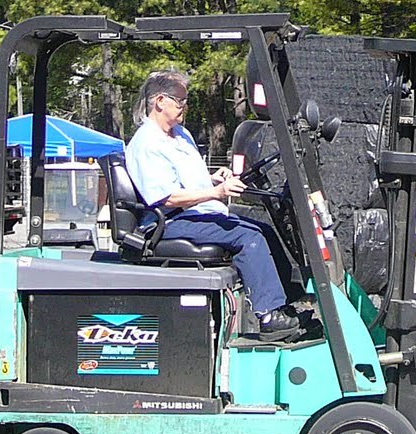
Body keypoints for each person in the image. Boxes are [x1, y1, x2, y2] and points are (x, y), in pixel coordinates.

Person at [124, 68, 305, 340]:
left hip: (194, 213)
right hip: (168, 221)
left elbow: (181, 177)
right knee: (248, 237)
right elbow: (167, 197)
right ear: (160, 101)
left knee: (265, 229)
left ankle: (287, 306)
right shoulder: (147, 143)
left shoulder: (179, 135)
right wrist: (217, 192)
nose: (185, 106)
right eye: (180, 101)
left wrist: (212, 178)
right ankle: (268, 315)